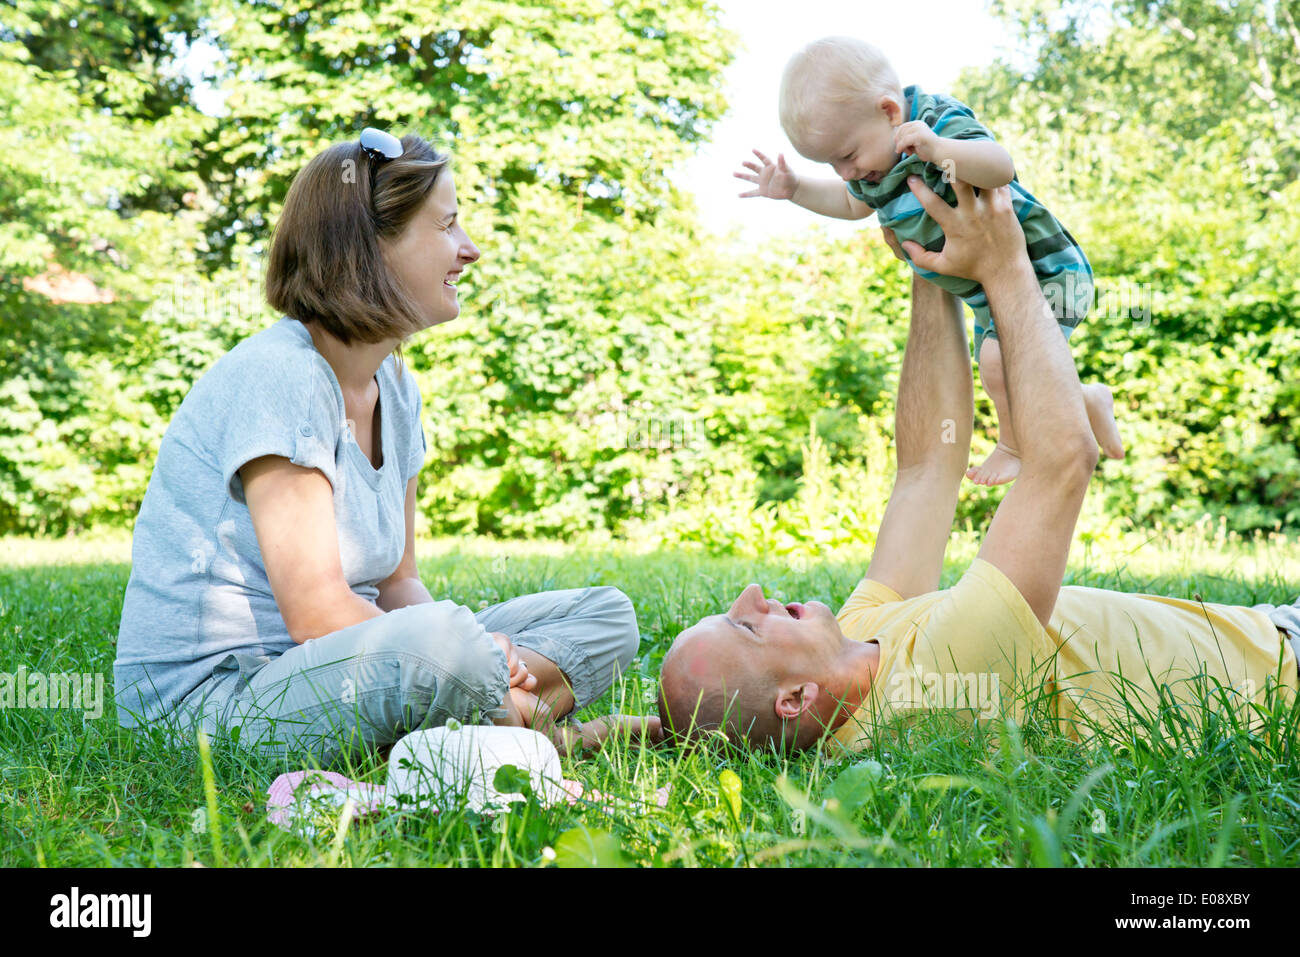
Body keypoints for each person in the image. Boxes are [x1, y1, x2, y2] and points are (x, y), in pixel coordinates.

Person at [659, 173, 1300, 753]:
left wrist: (926, 263)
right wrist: (1004, 263)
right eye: (745, 628)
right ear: (795, 701)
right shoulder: (936, 687)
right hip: (1285, 675)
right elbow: (1064, 458)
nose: (750, 596)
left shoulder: (856, 643)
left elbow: (925, 469)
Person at [114, 128, 658, 767]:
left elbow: (399, 584)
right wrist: (466, 653)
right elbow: (316, 612)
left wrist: (476, 658)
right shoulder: (281, 375)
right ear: (368, 248)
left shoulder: (395, 389)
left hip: (342, 665)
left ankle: (489, 722)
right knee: (446, 640)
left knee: (606, 617)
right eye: (448, 226)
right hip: (215, 700)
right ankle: (539, 735)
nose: (470, 250)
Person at [734, 35, 1124, 486]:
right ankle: (1087, 399)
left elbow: (999, 167)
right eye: (830, 165)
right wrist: (796, 190)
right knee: (1017, 371)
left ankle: (1013, 447)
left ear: (889, 112)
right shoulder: (871, 168)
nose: (846, 173)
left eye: (847, 156)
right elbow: (849, 204)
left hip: (1045, 270)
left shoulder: (936, 121)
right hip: (988, 293)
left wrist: (941, 150)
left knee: (999, 365)